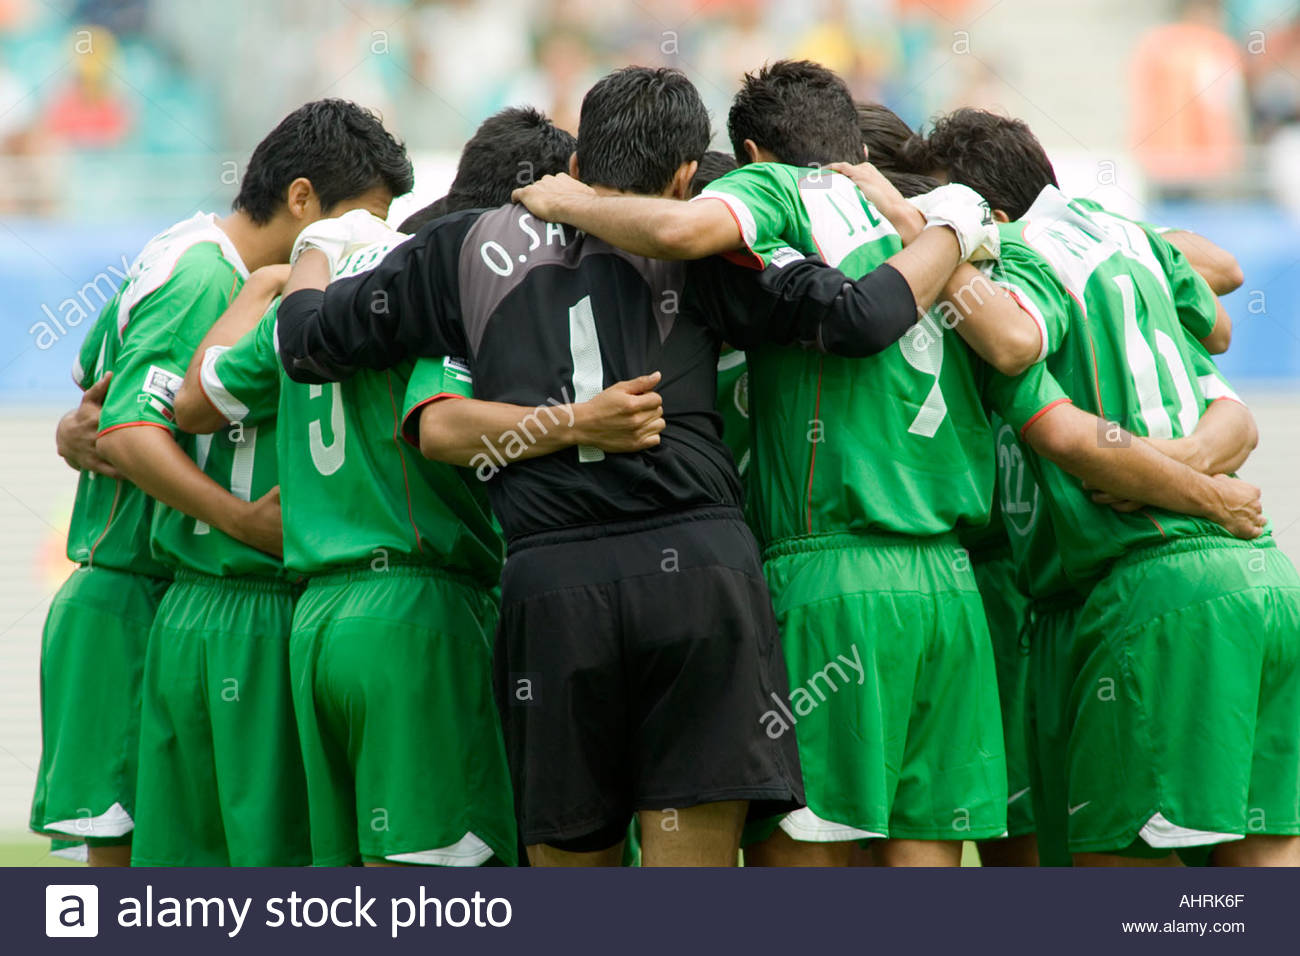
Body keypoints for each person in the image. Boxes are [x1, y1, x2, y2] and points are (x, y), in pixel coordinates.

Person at [274, 66, 979, 867]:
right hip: (698, 581)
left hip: (552, 588)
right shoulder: (712, 244)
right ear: (687, 176)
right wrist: (950, 230)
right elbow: (862, 317)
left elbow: (304, 346)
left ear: (577, 164)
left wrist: (313, 253)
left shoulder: (460, 245)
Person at [511, 59, 1017, 867]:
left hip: (829, 574)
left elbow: (683, 233)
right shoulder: (931, 230)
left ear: (748, 155)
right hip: (950, 586)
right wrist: (954, 225)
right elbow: (1021, 346)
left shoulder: (772, 199)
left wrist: (569, 198)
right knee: (927, 863)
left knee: (803, 867)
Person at [168, 107, 635, 868]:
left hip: (315, 622)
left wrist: (268, 285)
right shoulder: (443, 280)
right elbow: (442, 423)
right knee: (437, 881)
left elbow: (194, 401)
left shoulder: (306, 304)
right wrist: (578, 422)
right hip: (420, 611)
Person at [907, 107, 1300, 866]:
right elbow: (1224, 356)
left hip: (1154, 593)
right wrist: (1194, 470)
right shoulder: (1129, 255)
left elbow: (1063, 427)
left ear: (981, 216)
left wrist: (1191, 490)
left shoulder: (1012, 267)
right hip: (1263, 579)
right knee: (1260, 878)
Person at [94, 99, 413, 867]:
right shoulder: (214, 275)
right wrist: (241, 521)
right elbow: (127, 430)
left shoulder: (202, 261)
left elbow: (94, 388)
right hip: (234, 597)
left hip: (207, 607)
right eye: (360, 221)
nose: (365, 245)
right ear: (301, 199)